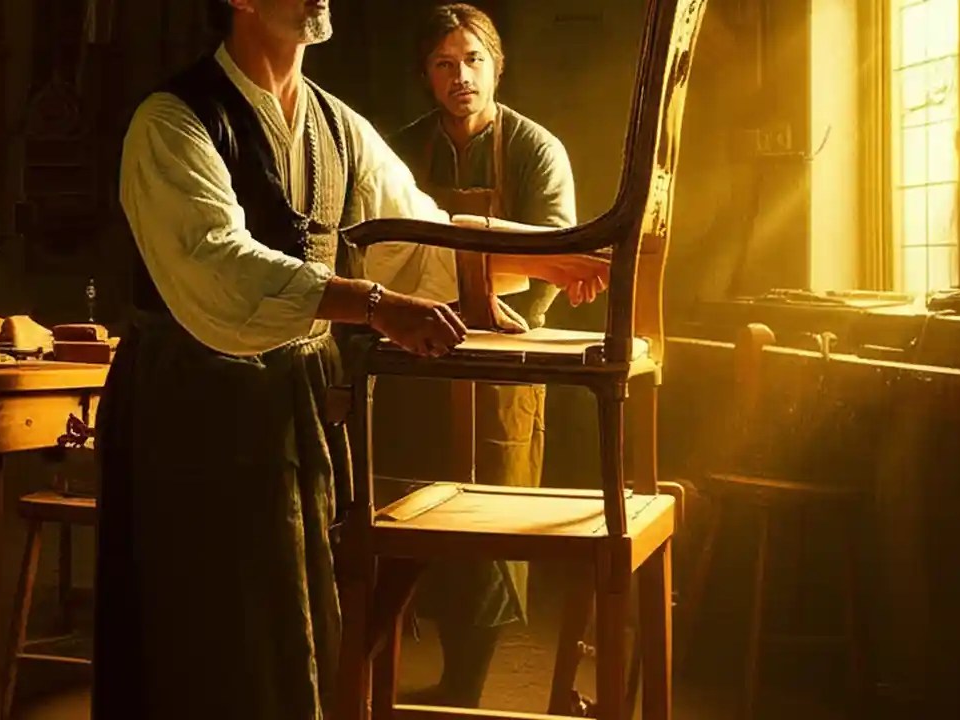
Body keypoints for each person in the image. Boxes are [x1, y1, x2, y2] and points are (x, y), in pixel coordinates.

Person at [92, 1, 609, 718]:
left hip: (295, 403)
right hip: (192, 412)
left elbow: (417, 236)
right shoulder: (174, 121)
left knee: (298, 624)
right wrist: (373, 303)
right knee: (208, 633)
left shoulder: (337, 127)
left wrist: (548, 258)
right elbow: (217, 264)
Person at [379, 3, 577, 708]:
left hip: (502, 364)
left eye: (472, 60)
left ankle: (465, 685)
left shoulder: (535, 149)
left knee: (490, 525)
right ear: (426, 75)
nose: (459, 76)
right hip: (417, 352)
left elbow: (557, 258)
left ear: (497, 66)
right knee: (411, 511)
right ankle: (389, 677)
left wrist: (479, 291)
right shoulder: (400, 150)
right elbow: (383, 246)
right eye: (443, 63)